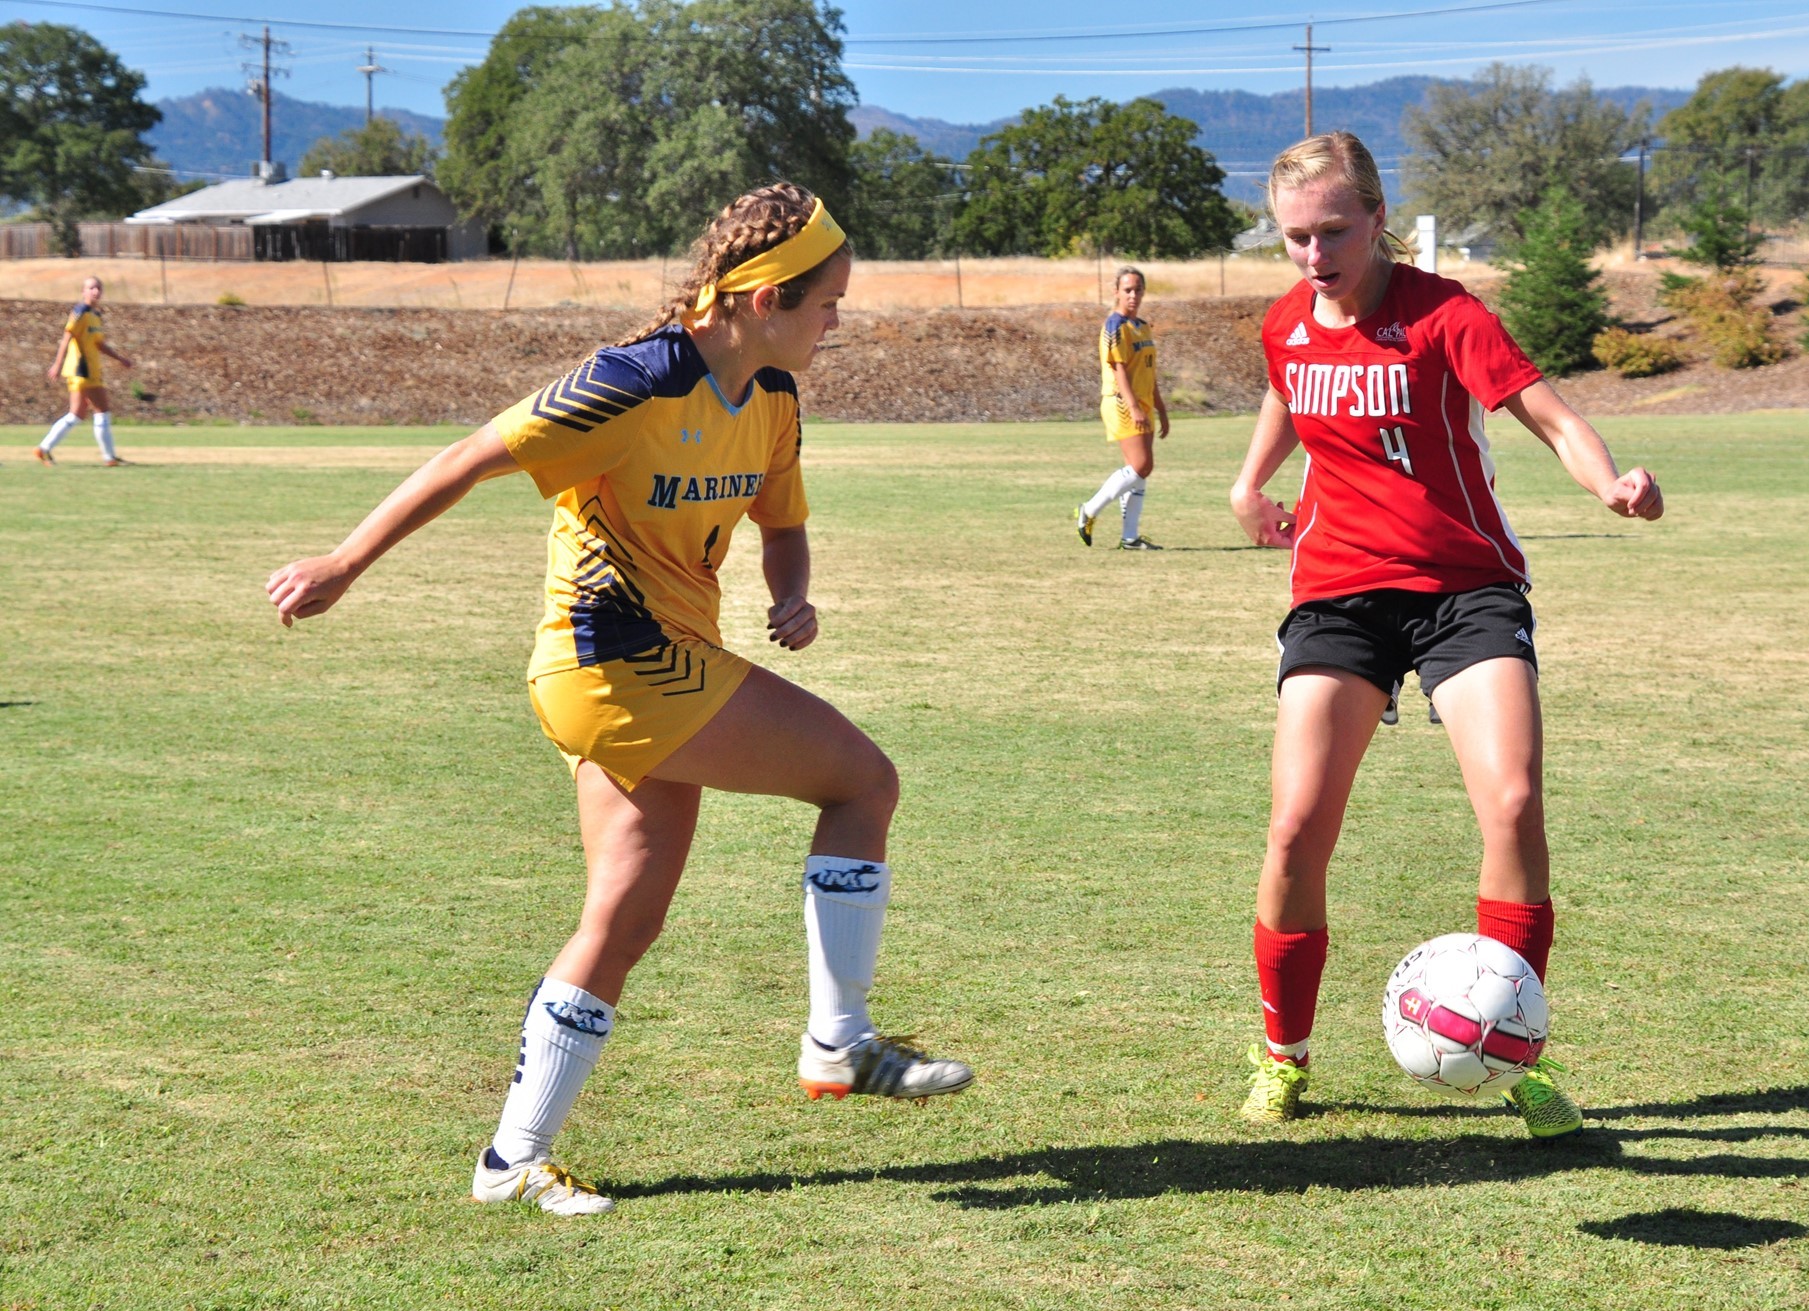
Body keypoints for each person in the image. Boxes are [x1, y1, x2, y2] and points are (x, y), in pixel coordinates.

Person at [265, 184, 973, 1217]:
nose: (837, 323)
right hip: (610, 662)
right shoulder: (630, 384)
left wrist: (790, 592)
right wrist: (344, 561)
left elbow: (780, 523)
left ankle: (511, 1158)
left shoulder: (771, 395)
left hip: (657, 666)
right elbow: (470, 457)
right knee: (862, 780)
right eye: (827, 303)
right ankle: (836, 1041)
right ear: (766, 297)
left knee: (622, 917)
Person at [1228, 133, 1663, 1133]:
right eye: (1293, 235)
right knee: (1295, 824)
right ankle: (1281, 1054)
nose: (1310, 252)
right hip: (1336, 593)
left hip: (1463, 589)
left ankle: (1520, 1054)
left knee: (1510, 803)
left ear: (1377, 219)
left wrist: (1608, 482)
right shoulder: (1286, 321)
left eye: (1332, 230)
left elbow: (1545, 415)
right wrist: (1250, 480)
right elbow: (1286, 387)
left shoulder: (1444, 315)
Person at [1075, 266, 1169, 551]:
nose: (1133, 295)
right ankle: (1089, 510)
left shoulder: (1143, 326)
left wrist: (1161, 408)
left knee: (1139, 470)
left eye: (1138, 289)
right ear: (1116, 292)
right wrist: (1134, 407)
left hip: (1143, 403)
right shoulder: (1114, 327)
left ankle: (1130, 537)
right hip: (1121, 402)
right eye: (1127, 289)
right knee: (1142, 465)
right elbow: (1119, 371)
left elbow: (1148, 373)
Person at [36, 276, 135, 466]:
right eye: (91, 288)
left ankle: (43, 449)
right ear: (83, 291)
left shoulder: (95, 315)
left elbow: (98, 343)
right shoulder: (80, 311)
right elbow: (67, 337)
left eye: (98, 288)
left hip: (86, 370)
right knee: (102, 411)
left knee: (77, 414)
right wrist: (57, 364)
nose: (96, 291)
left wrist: (119, 358)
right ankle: (109, 458)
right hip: (82, 369)